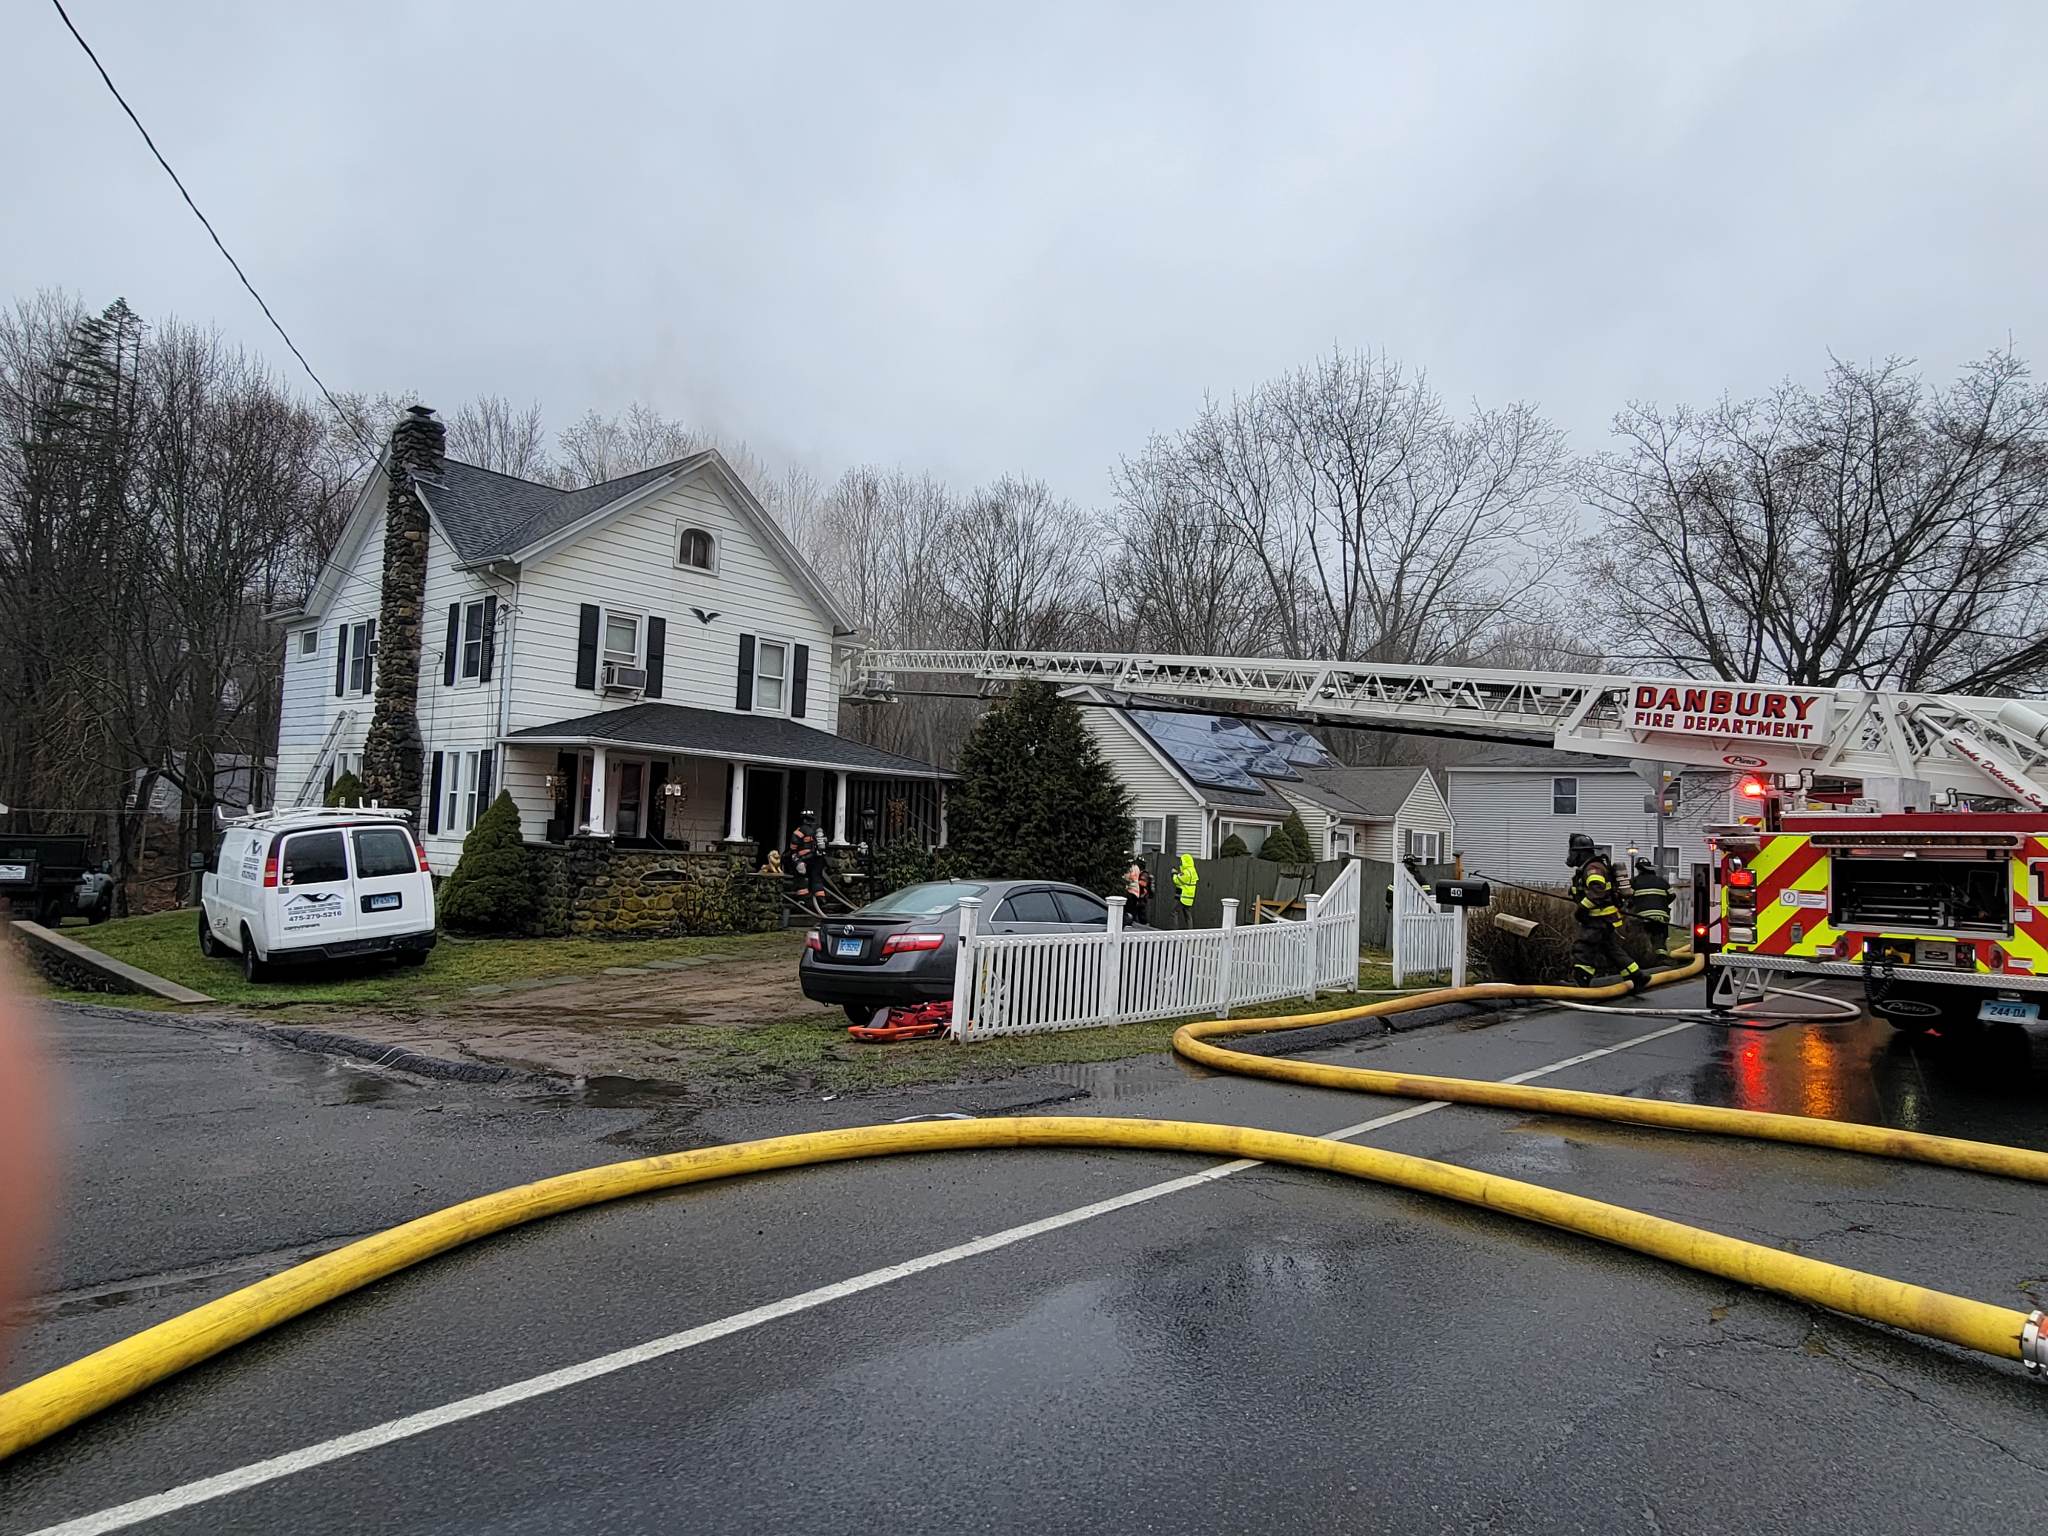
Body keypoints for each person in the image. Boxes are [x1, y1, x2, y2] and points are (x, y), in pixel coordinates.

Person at [1567, 833, 1644, 990]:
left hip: (1598, 919)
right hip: (1605, 919)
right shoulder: (1592, 866)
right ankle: (1636, 976)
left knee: (1583, 948)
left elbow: (1598, 891)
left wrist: (1582, 908)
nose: (1571, 856)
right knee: (1610, 950)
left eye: (1573, 852)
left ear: (1581, 853)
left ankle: (1581, 982)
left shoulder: (1592, 868)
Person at [1628, 857, 1673, 955]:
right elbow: (1672, 895)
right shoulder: (1662, 881)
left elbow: (1628, 899)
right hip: (1661, 916)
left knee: (1642, 940)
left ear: (1639, 869)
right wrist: (1662, 904)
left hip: (1642, 917)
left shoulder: (1634, 882)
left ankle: (1646, 957)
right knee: (1660, 939)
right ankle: (1661, 957)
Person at [787, 811, 825, 908]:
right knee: (816, 877)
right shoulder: (818, 831)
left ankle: (803, 899)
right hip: (817, 858)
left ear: (804, 820)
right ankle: (820, 897)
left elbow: (793, 847)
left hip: (804, 859)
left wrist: (796, 859)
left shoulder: (799, 831)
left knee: (801, 877)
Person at [1171, 852, 1199, 927]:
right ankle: (1190, 932)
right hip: (1189, 897)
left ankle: (1174, 932)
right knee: (1188, 915)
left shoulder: (1187, 872)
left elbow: (1177, 881)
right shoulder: (1193, 871)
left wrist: (1174, 874)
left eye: (1182, 861)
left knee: (1174, 912)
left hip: (1182, 896)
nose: (1181, 862)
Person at [1123, 855, 1153, 925]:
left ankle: (1139, 925)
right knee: (1137, 911)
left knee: (1138, 911)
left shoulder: (1135, 869)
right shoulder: (1138, 869)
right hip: (1137, 893)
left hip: (1136, 894)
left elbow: (1142, 884)